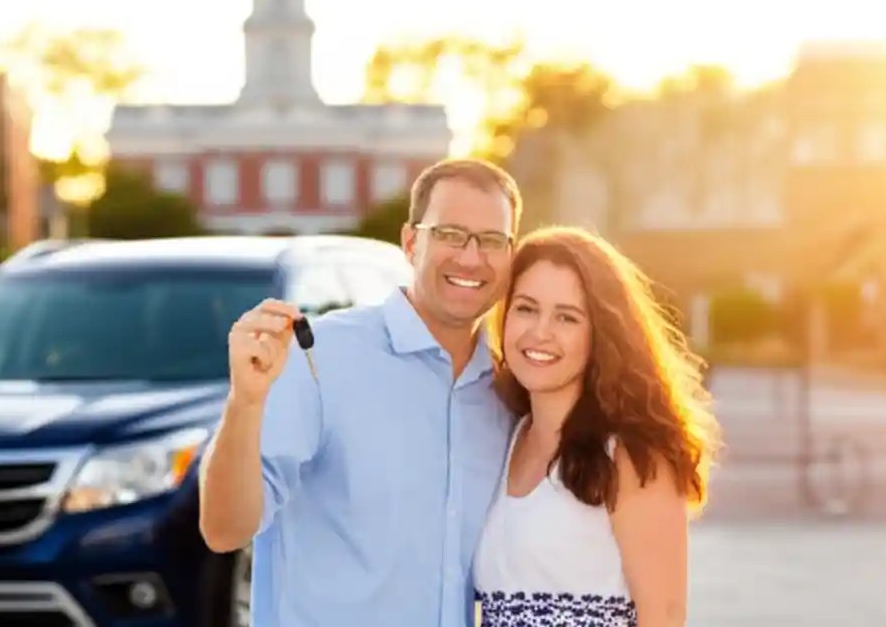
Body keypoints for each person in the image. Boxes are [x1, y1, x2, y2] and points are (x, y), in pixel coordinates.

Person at [198, 157, 523, 626]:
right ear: (411, 242)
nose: (471, 257)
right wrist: (244, 403)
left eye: (491, 240)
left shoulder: (509, 391)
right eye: (450, 234)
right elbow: (224, 529)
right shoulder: (317, 358)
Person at [472, 226, 722, 627]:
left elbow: (665, 616)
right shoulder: (505, 436)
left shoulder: (631, 456)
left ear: (599, 334)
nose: (540, 332)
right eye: (526, 308)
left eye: (566, 317)